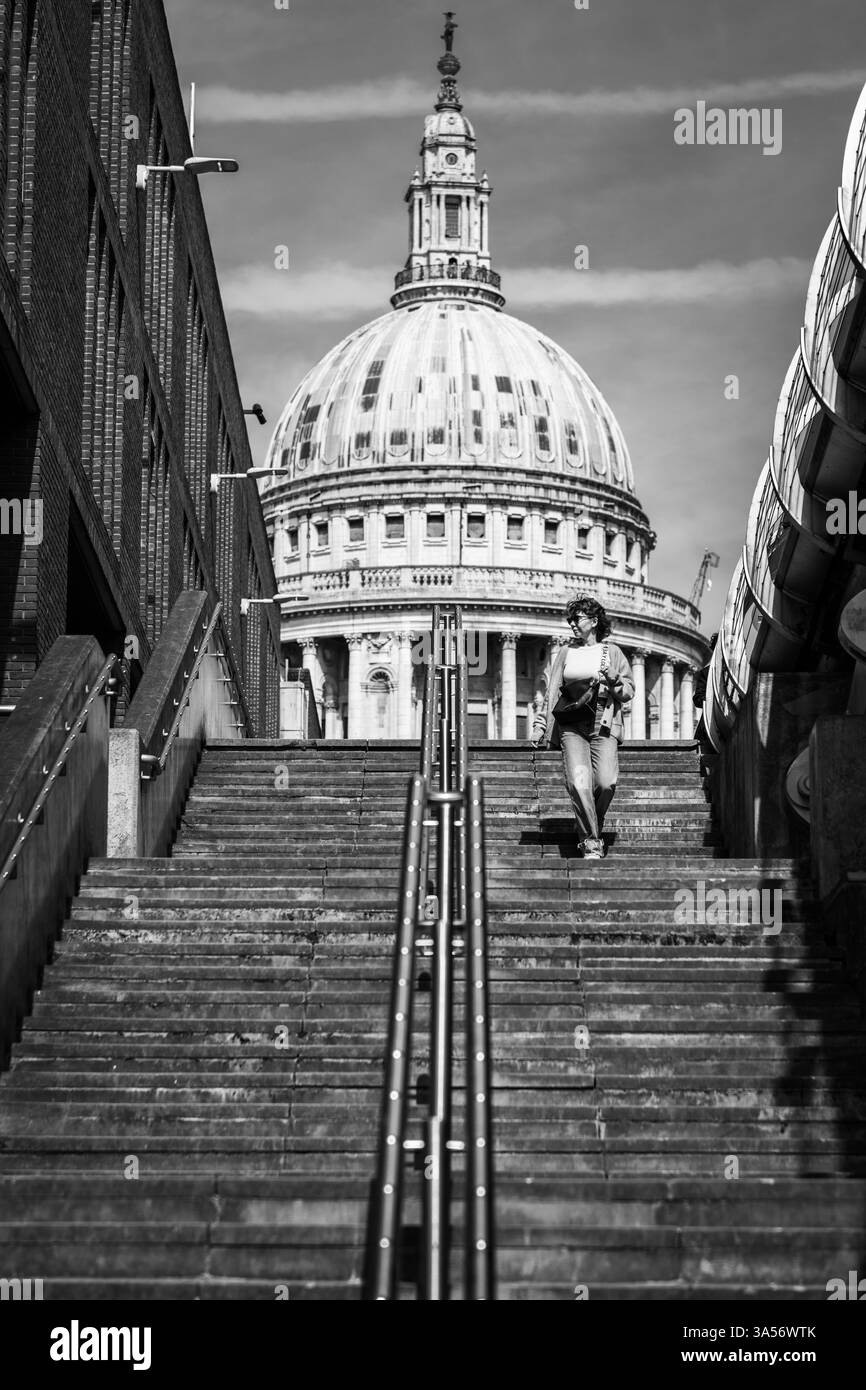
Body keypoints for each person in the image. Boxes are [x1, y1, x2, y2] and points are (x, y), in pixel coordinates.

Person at [531, 595, 635, 860]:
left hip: (603, 721)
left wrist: (613, 680)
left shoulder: (612, 653)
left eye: (576, 619)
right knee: (578, 782)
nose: (572, 624)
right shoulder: (566, 653)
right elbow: (552, 693)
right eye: (570, 620)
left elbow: (628, 692)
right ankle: (591, 842)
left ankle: (591, 822)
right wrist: (541, 725)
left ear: (594, 621)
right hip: (571, 723)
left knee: (606, 782)